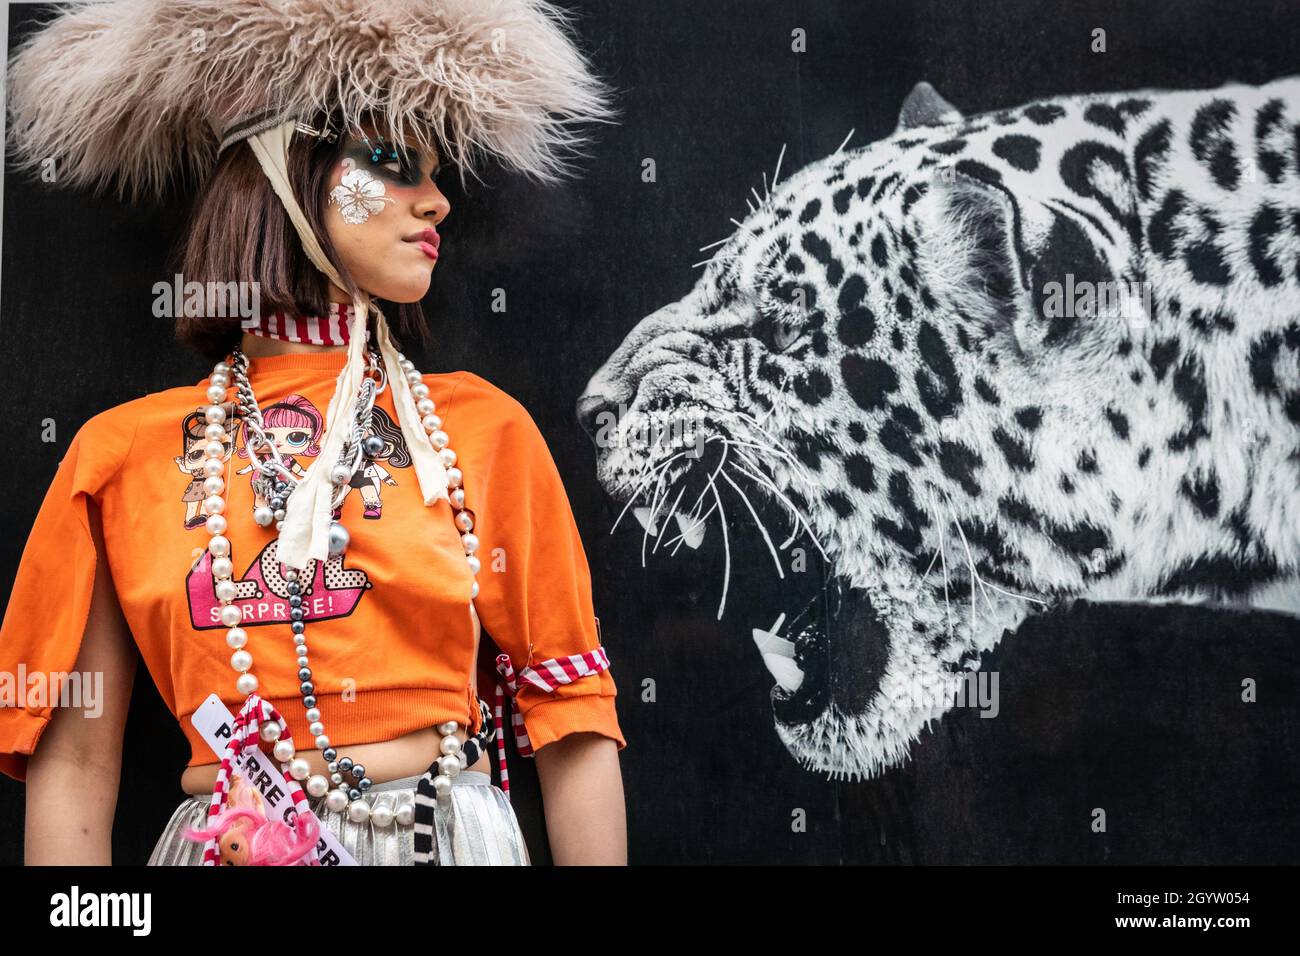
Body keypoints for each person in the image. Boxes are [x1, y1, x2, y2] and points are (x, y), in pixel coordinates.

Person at [1, 0, 627, 866]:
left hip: (442, 840)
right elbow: (72, 763)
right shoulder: (118, 456)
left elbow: (572, 711)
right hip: (226, 845)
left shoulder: (482, 430)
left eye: (434, 173)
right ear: (285, 172)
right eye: (393, 163)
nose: (437, 202)